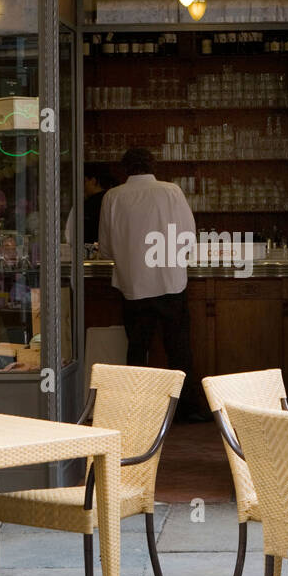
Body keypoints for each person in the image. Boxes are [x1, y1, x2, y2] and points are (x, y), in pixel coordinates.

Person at [97, 148, 206, 420]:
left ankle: (137, 410)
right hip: (170, 282)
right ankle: (186, 410)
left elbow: (106, 249)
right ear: (152, 165)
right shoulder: (171, 192)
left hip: (133, 285)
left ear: (125, 169)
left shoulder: (113, 196)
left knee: (137, 349)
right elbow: (188, 237)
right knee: (179, 350)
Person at [63, 164, 115, 250]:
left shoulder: (83, 206)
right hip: (109, 254)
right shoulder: (113, 201)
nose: (83, 186)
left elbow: (70, 237)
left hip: (86, 255)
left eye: (85, 181)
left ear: (93, 181)